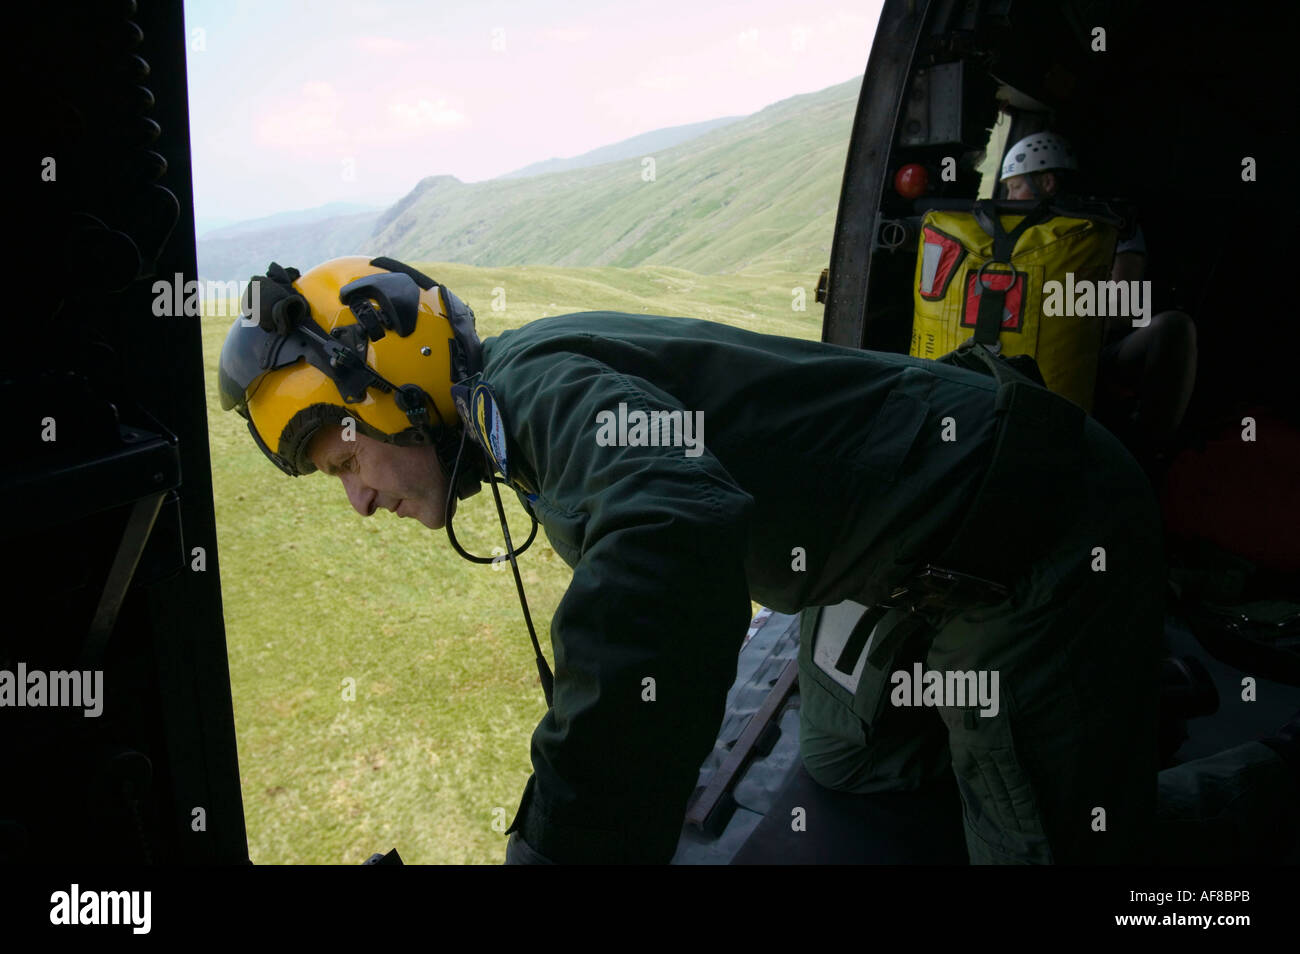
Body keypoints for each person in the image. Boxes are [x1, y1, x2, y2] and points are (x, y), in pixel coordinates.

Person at [218, 256, 1294, 864]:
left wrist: (565, 849)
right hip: (893, 565)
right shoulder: (519, 420)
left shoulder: (536, 395)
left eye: (341, 456)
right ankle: (1087, 709)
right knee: (850, 768)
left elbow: (671, 529)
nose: (357, 499)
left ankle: (1244, 774)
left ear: (394, 386)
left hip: (1031, 524)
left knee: (1036, 850)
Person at [999, 132, 1198, 475]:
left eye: (1015, 186)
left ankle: (1143, 456)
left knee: (1174, 327)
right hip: (1018, 347)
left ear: (1046, 182)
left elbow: (1121, 308)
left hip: (1089, 349)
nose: (1009, 197)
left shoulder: (1109, 225)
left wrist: (1063, 321)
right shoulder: (1009, 231)